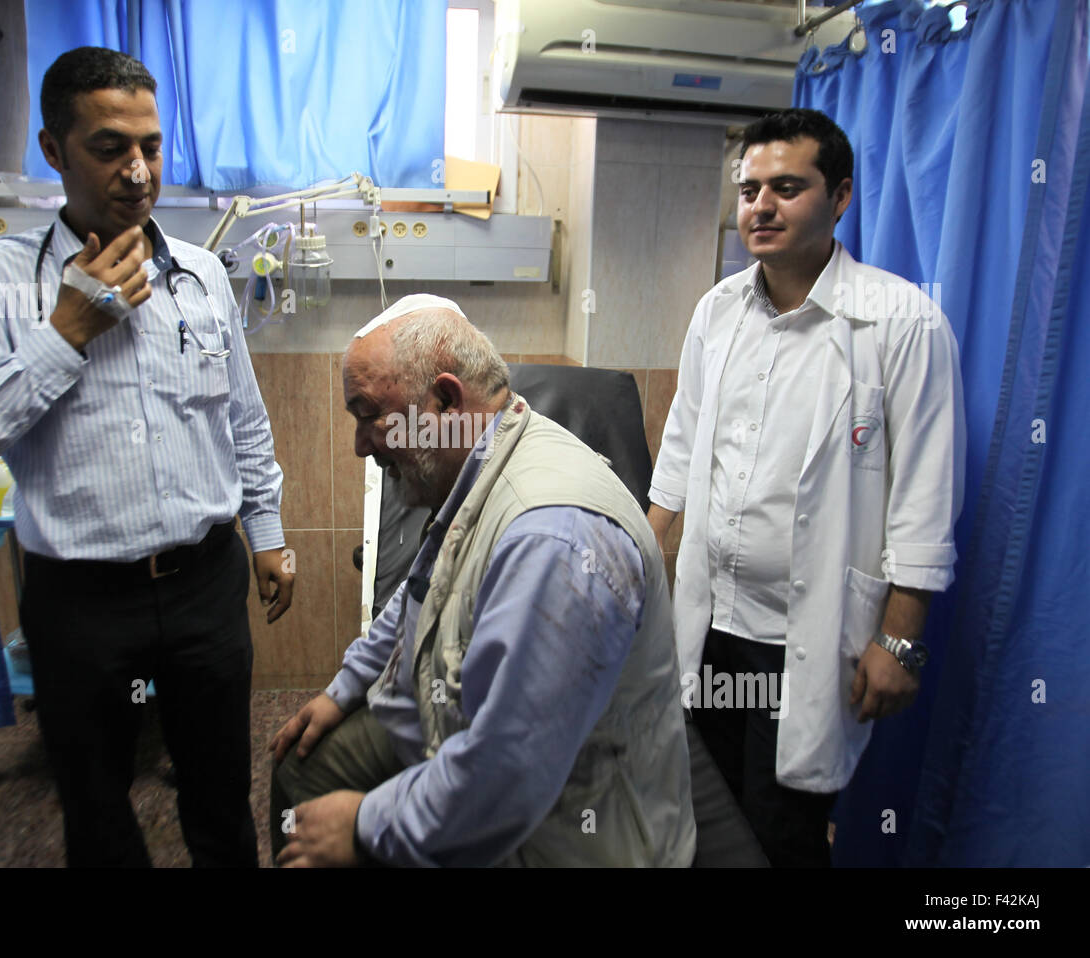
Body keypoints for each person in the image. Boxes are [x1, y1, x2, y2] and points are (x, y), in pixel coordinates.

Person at [0, 47, 293, 867]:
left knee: (223, 801)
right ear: (53, 150)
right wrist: (63, 336)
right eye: (109, 146)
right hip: (79, 602)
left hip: (203, 584)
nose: (137, 170)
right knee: (97, 813)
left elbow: (244, 421)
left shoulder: (197, 277)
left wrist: (267, 532)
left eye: (151, 146)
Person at [268, 294, 696, 867]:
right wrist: (344, 688)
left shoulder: (553, 542)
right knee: (303, 767)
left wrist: (366, 825)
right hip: (458, 734)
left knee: (332, 827)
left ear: (445, 400)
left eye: (369, 416)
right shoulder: (488, 459)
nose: (360, 446)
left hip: (565, 834)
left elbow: (508, 772)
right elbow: (422, 589)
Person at [647, 108, 965, 867]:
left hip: (805, 638)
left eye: (787, 187)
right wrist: (637, 563)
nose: (760, 205)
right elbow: (682, 450)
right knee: (709, 808)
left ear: (842, 196)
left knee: (780, 829)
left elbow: (925, 498)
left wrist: (900, 641)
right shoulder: (718, 312)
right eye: (750, 188)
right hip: (712, 625)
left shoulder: (901, 325)